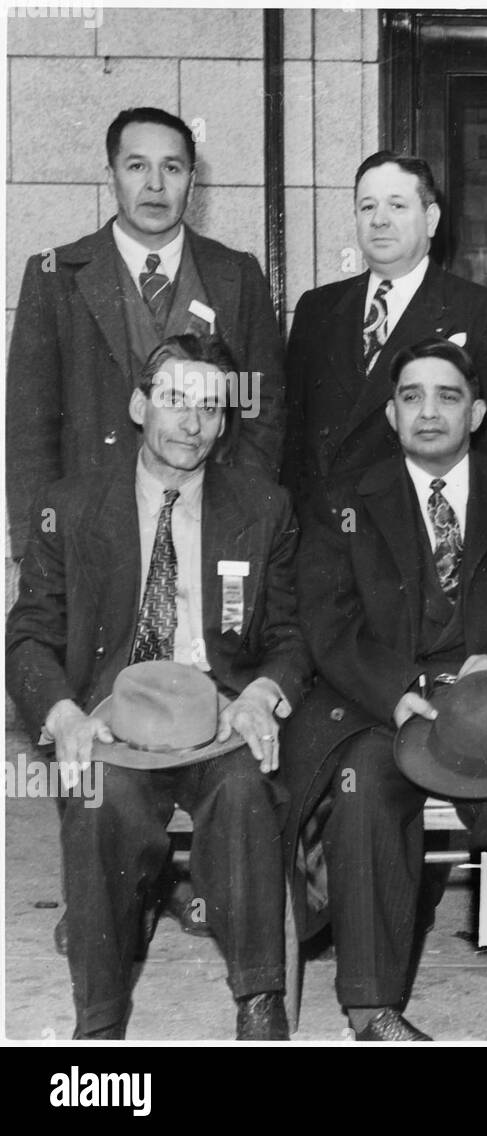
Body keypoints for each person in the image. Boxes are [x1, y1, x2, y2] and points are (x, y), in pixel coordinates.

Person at [282, 335, 487, 1041]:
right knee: (360, 786)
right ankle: (371, 1006)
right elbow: (328, 622)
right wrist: (396, 688)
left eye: (448, 397)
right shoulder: (342, 501)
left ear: (477, 412)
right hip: (392, 705)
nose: (429, 411)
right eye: (411, 396)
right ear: (390, 414)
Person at [6, 334, 311, 1039]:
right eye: (175, 400)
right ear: (141, 405)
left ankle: (259, 1004)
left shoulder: (263, 509)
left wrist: (263, 694)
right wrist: (63, 715)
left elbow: (291, 637)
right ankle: (100, 1024)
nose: (192, 422)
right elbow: (28, 637)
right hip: (115, 716)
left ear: (226, 421)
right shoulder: (72, 505)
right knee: (98, 798)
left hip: (220, 710)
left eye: (210, 407)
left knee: (242, 791)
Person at [6, 106, 285, 556]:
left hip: (208, 524)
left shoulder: (237, 274)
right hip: (89, 534)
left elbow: (258, 406)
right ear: (111, 175)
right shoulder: (54, 275)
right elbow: (29, 428)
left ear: (192, 181)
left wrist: (243, 514)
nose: (155, 185)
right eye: (137, 166)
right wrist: (34, 545)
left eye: (171, 168)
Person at [282, 151, 487, 504]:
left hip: (416, 535)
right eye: (367, 207)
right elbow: (292, 440)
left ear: (430, 219)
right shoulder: (316, 308)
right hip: (324, 535)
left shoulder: (486, 316)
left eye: (397, 206)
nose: (379, 220)